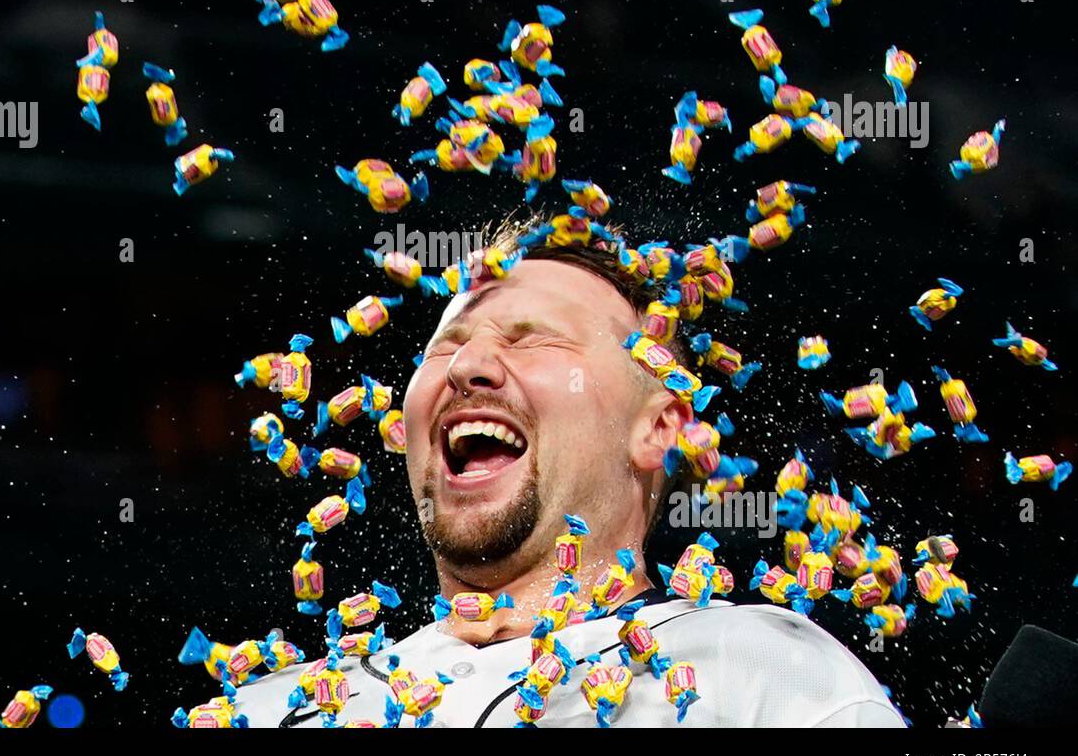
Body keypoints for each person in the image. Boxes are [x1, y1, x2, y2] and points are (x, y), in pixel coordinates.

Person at [234, 235, 906, 727]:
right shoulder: (270, 709)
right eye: (446, 345)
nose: (469, 365)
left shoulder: (762, 676)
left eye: (532, 339)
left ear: (658, 426)